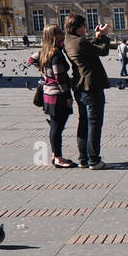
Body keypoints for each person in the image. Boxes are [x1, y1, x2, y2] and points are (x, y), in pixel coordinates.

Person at [63, 14, 113, 169]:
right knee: (94, 123)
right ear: (78, 27)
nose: (86, 29)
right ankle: (94, 160)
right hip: (91, 87)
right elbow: (103, 51)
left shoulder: (68, 41)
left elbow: (89, 48)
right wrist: (104, 36)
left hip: (79, 87)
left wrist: (97, 37)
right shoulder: (80, 41)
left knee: (84, 122)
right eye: (84, 26)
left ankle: (84, 159)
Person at [33, 24, 76, 168]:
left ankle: (55, 155)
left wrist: (44, 73)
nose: (62, 33)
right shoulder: (55, 55)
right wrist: (68, 96)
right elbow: (60, 78)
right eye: (58, 32)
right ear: (52, 36)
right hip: (58, 96)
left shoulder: (44, 52)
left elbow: (31, 59)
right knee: (57, 128)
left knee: (55, 126)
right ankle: (58, 158)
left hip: (48, 95)